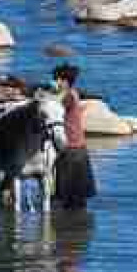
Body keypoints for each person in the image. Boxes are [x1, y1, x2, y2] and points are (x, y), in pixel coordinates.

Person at [51, 63, 97, 212]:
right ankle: (76, 220)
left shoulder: (68, 96)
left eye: (57, 79)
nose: (55, 82)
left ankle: (68, 221)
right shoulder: (73, 93)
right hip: (78, 147)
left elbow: (54, 108)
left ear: (64, 81)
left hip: (70, 148)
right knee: (77, 192)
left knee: (67, 191)